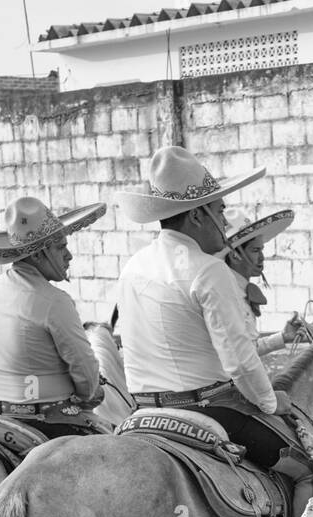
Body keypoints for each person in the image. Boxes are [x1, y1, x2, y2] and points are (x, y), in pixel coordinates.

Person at [116, 146, 290, 428]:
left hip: (141, 413)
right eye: (219, 211)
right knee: (304, 465)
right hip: (206, 408)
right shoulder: (209, 270)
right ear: (197, 216)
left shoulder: (132, 266)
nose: (224, 221)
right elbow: (239, 360)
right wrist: (270, 401)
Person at [0, 196, 107, 438]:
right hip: (46, 416)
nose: (69, 256)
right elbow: (84, 369)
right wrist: (90, 394)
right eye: (60, 248)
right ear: (37, 255)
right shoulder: (54, 301)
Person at [222, 208, 310, 353]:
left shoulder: (236, 289)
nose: (262, 257)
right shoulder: (227, 295)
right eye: (255, 251)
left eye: (261, 250)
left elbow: (248, 350)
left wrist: (283, 337)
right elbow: (240, 357)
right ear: (234, 255)